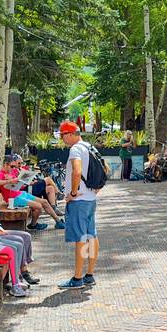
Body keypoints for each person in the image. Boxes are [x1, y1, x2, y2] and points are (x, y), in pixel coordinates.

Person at [57, 120, 100, 290]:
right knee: (92, 236)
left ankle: (77, 278)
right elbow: (105, 169)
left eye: (62, 136)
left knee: (81, 238)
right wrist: (95, 189)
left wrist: (73, 193)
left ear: (69, 134)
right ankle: (89, 274)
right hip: (90, 198)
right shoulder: (89, 146)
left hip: (79, 200)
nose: (62, 140)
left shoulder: (75, 149)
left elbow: (77, 171)